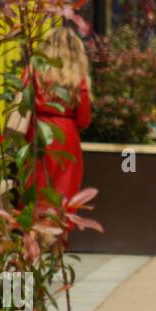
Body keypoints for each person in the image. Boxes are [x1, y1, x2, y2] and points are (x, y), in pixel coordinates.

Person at [29, 24, 94, 207]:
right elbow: (84, 119)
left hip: (37, 133)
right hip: (67, 138)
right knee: (63, 199)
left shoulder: (35, 70)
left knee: (35, 195)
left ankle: (34, 233)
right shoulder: (77, 78)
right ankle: (59, 235)